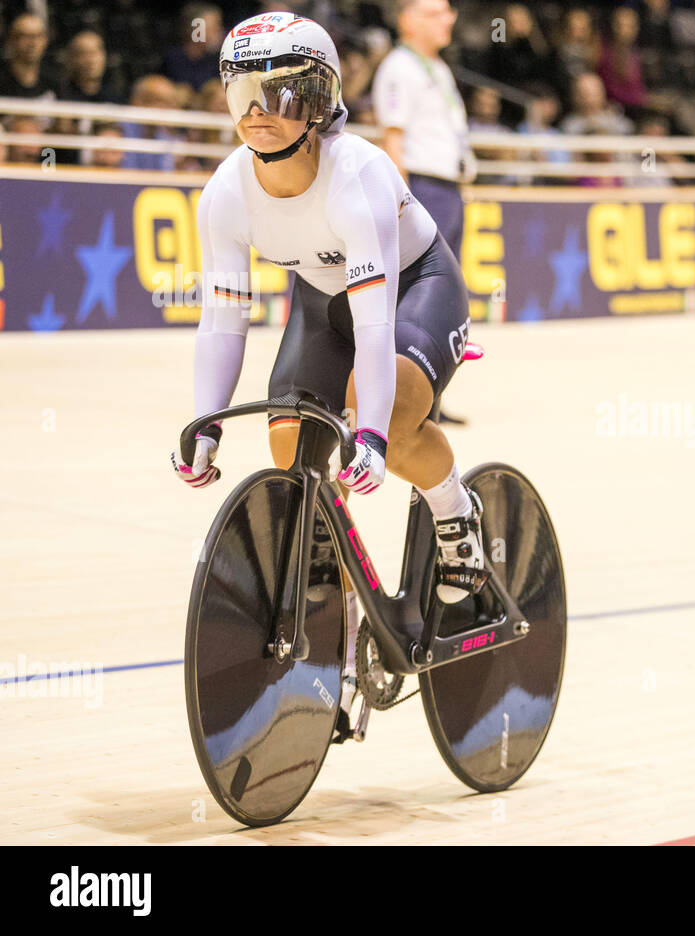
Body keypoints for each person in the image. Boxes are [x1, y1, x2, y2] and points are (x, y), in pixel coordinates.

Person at [169, 11, 488, 742]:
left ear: (318, 103)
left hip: (413, 291)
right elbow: (223, 320)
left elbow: (375, 328)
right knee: (291, 456)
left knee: (392, 423)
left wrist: (371, 432)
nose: (256, 112)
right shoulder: (224, 193)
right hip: (322, 304)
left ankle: (454, 514)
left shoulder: (361, 176)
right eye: (242, 92)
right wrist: (206, 425)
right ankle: (342, 641)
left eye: (278, 94)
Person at [372, 0, 473, 259]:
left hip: (449, 187)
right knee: (423, 279)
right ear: (408, 21)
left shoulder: (438, 67)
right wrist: (404, 206)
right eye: (435, 14)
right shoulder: (399, 66)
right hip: (422, 188)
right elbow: (393, 138)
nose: (448, 20)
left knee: (446, 279)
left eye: (449, 12)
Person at [0, 13, 56, 100]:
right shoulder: (2, 79)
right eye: (25, 36)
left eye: (38, 36)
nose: (32, 43)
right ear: (11, 40)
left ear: (46, 40)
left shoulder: (55, 80)